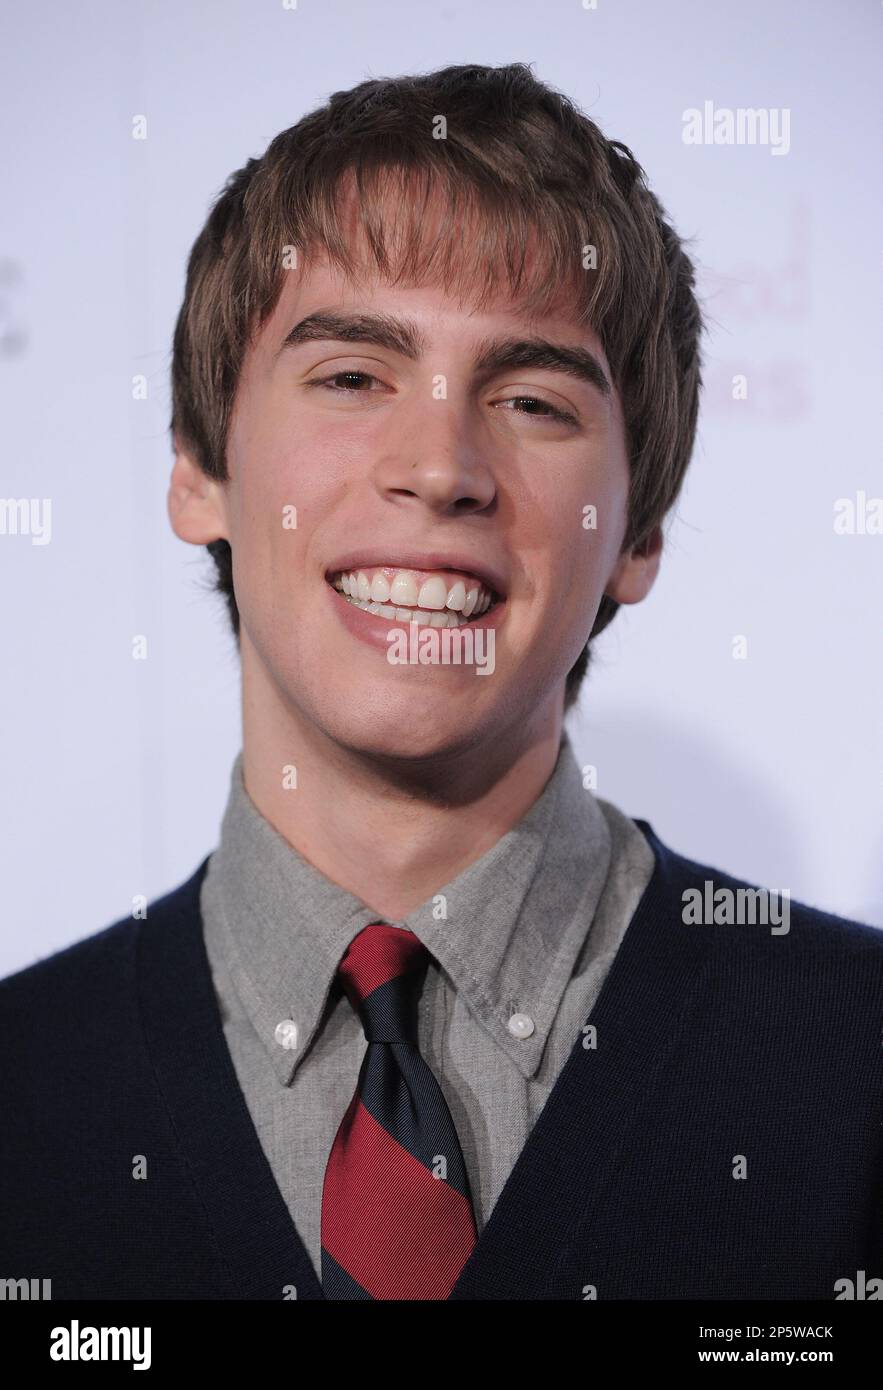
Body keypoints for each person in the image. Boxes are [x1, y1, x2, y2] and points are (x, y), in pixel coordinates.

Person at [1, 63, 880, 1302]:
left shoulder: (860, 1061)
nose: (439, 465)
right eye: (353, 375)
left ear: (639, 533)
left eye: (529, 398)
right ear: (200, 466)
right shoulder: (21, 1089)